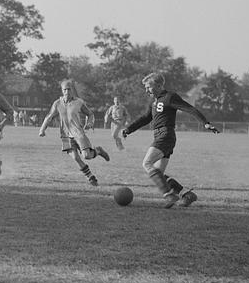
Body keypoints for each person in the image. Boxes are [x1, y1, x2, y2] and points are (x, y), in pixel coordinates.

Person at [122, 72, 219, 208]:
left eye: (149, 87)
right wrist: (129, 129)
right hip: (161, 136)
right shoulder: (154, 101)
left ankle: (168, 195)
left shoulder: (170, 97)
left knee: (147, 163)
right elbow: (145, 118)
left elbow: (189, 108)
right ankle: (186, 194)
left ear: (159, 85)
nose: (146, 90)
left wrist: (205, 123)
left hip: (165, 135)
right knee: (158, 173)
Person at [38, 79, 110, 187]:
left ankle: (98, 151)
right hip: (65, 136)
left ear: (72, 90)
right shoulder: (57, 103)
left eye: (69, 89)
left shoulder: (79, 102)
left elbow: (90, 114)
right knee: (76, 158)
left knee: (87, 156)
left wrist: (90, 123)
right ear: (62, 91)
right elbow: (49, 117)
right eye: (65, 89)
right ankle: (90, 177)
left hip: (79, 134)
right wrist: (42, 129)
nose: (67, 92)